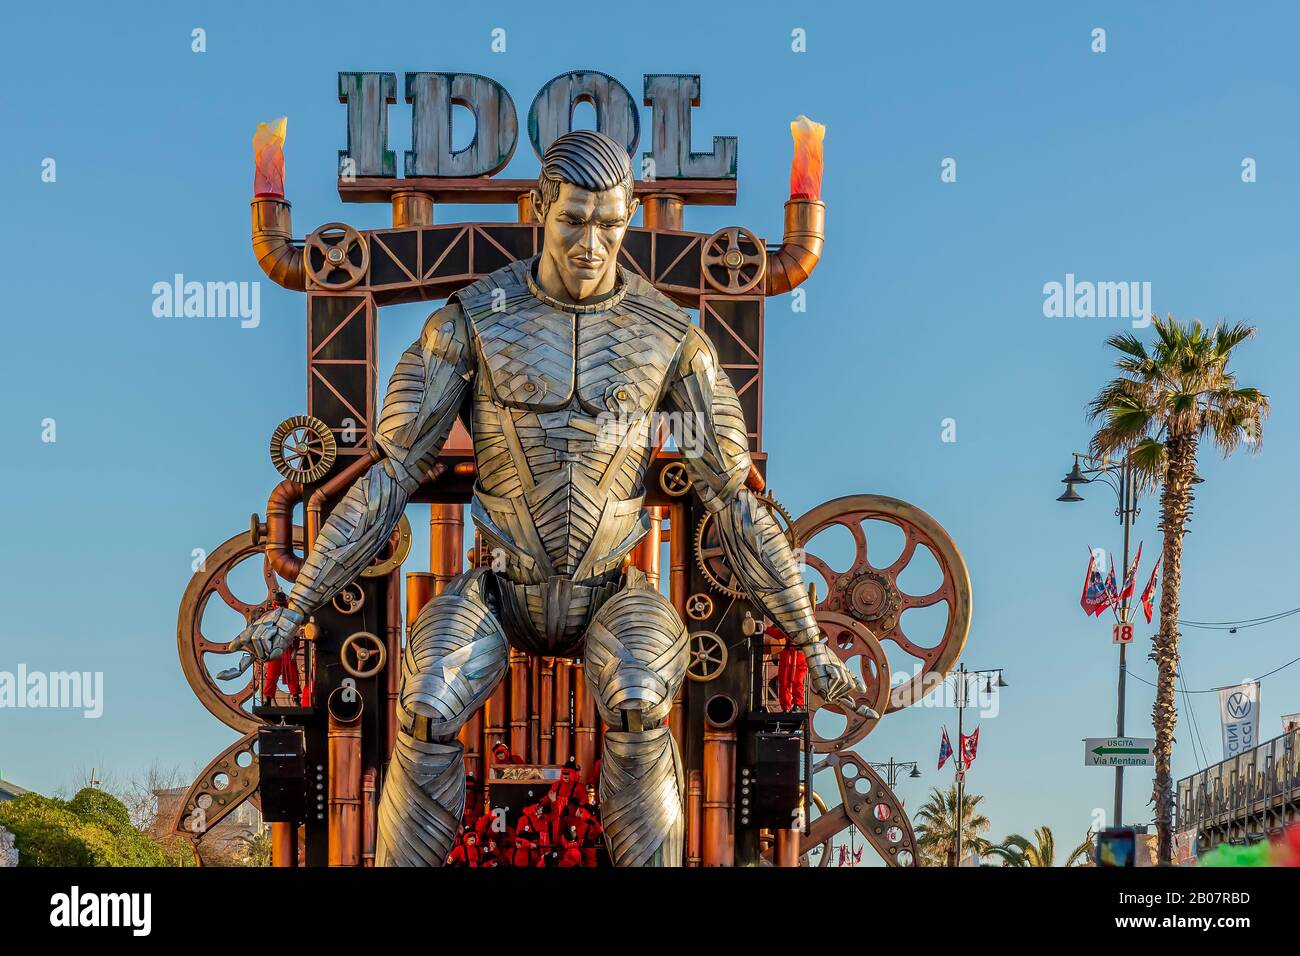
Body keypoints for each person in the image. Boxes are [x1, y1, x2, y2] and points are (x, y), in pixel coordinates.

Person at [233, 129, 864, 868]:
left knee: (639, 696)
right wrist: (298, 610)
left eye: (610, 223)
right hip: (502, 586)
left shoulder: (672, 339)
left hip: (611, 590)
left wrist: (813, 647)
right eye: (574, 220)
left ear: (629, 213)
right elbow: (388, 478)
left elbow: (733, 502)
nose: (592, 243)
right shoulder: (469, 321)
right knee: (426, 702)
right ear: (538, 207)